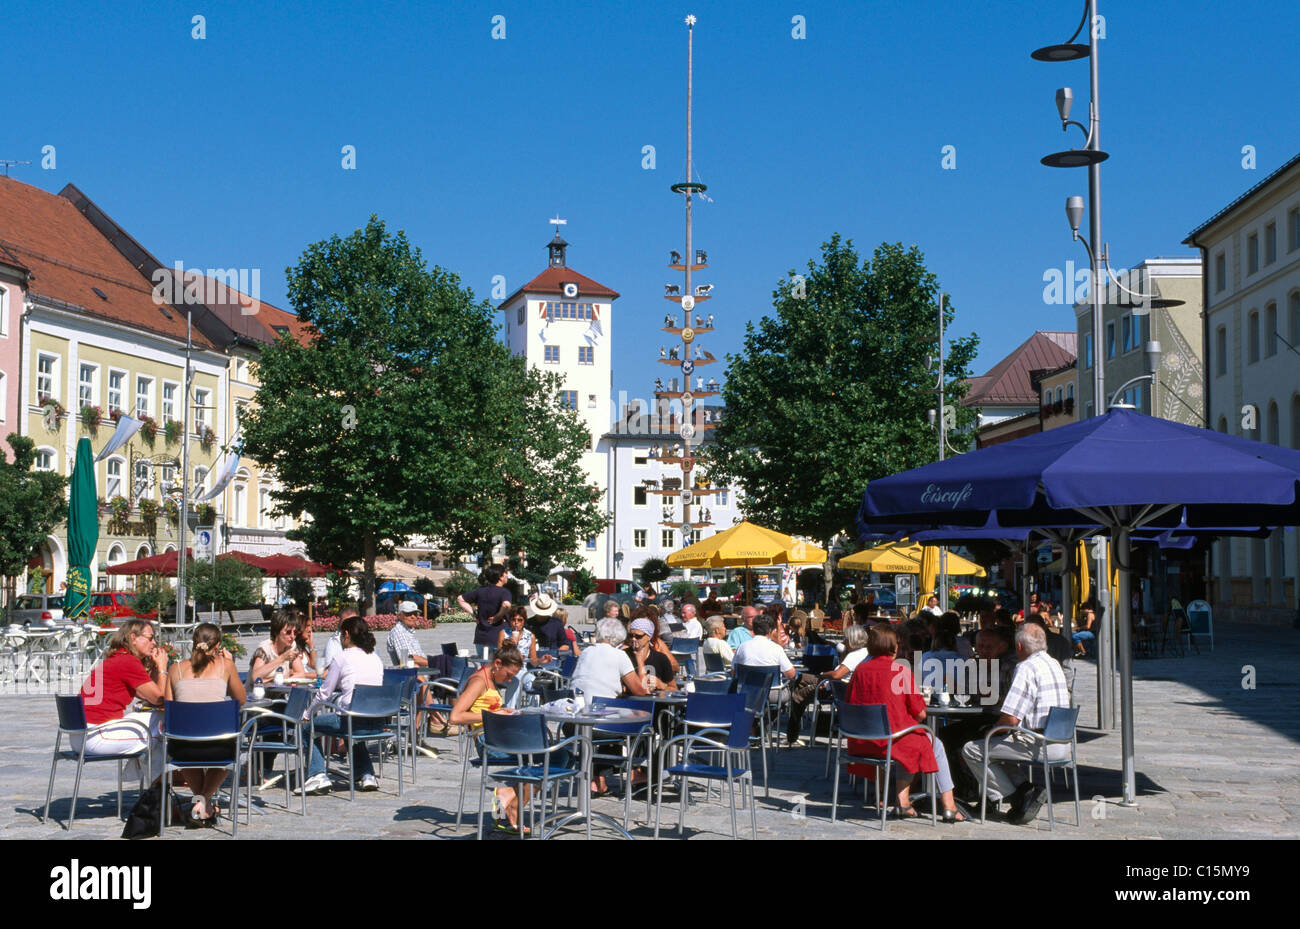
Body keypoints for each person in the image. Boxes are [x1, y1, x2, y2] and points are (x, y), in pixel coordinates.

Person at [845, 625, 967, 822]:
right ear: (893, 647)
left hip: (861, 742)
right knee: (933, 743)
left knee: (911, 740)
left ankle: (903, 803)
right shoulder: (900, 670)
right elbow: (920, 713)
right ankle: (949, 806)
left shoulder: (860, 670)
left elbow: (850, 702)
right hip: (889, 742)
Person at [960, 623, 1070, 824]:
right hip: (1062, 742)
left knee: (972, 749)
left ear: (1018, 647)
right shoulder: (1054, 663)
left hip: (1039, 742)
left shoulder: (1026, 668)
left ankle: (1017, 796)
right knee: (997, 748)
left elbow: (1011, 718)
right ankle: (1026, 790)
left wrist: (991, 732)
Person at [448, 643, 532, 833]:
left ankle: (505, 795)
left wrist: (504, 712)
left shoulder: (490, 679)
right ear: (497, 663)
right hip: (487, 742)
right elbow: (455, 717)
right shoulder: (479, 681)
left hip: (499, 736)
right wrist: (494, 716)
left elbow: (488, 710)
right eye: (509, 675)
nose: (509, 680)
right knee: (547, 757)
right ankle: (511, 807)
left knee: (560, 756)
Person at [166, 623, 246, 823]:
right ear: (218, 646)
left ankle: (202, 802)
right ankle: (203, 802)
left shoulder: (174, 669)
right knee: (229, 745)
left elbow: (169, 706)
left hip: (183, 748)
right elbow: (241, 700)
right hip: (219, 748)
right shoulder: (225, 666)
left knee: (187, 738)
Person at [76, 619, 168, 785]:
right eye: (150, 637)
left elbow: (148, 695)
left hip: (81, 734)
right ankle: (160, 793)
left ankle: (156, 788)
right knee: (165, 728)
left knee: (153, 725)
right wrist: (162, 667)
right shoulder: (128, 662)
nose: (154, 643)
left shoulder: (118, 659)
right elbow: (159, 697)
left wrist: (154, 669)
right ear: (133, 637)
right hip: (96, 736)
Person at [303, 616, 385, 795]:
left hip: (353, 721)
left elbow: (324, 693)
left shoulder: (342, 658)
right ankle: (366, 774)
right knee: (353, 732)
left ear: (346, 634)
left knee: (308, 729)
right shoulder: (375, 658)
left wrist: (307, 714)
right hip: (377, 721)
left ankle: (317, 774)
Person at [937, 626, 1015, 800]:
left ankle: (966, 788)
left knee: (952, 739)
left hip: (998, 720)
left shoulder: (1008, 666)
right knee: (941, 736)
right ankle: (958, 786)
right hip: (977, 716)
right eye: (980, 646)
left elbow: (1011, 700)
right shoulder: (973, 665)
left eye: (988, 647)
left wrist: (987, 694)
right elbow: (966, 692)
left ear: (1001, 647)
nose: (983, 651)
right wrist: (954, 687)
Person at [732, 615, 819, 747]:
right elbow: (791, 674)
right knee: (795, 689)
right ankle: (777, 728)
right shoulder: (775, 648)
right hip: (773, 694)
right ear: (770, 631)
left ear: (753, 630)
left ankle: (757, 727)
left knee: (799, 682)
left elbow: (734, 672)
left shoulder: (742, 647)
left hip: (747, 693)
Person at [568, 618, 649, 701]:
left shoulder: (586, 651)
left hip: (575, 704)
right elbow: (640, 691)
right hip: (603, 706)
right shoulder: (619, 655)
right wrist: (640, 660)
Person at [457, 564, 512, 659]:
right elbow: (506, 604)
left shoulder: (480, 591)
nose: (507, 576)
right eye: (505, 574)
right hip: (499, 637)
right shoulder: (504, 592)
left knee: (485, 668)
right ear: (500, 577)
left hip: (481, 636)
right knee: (500, 668)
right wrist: (498, 617)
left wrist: (474, 614)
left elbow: (460, 599)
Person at [249, 611, 308, 684]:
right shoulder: (264, 650)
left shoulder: (292, 646)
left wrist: (282, 679)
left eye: (295, 632)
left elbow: (301, 674)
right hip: (257, 693)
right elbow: (255, 677)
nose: (292, 636)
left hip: (279, 692)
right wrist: (282, 658)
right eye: (288, 632)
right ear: (276, 632)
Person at [623, 618, 676, 693]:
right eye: (631, 636)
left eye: (638, 636)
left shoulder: (660, 658)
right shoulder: (623, 655)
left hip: (655, 703)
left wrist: (662, 685)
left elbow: (674, 689)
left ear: (649, 636)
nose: (633, 639)